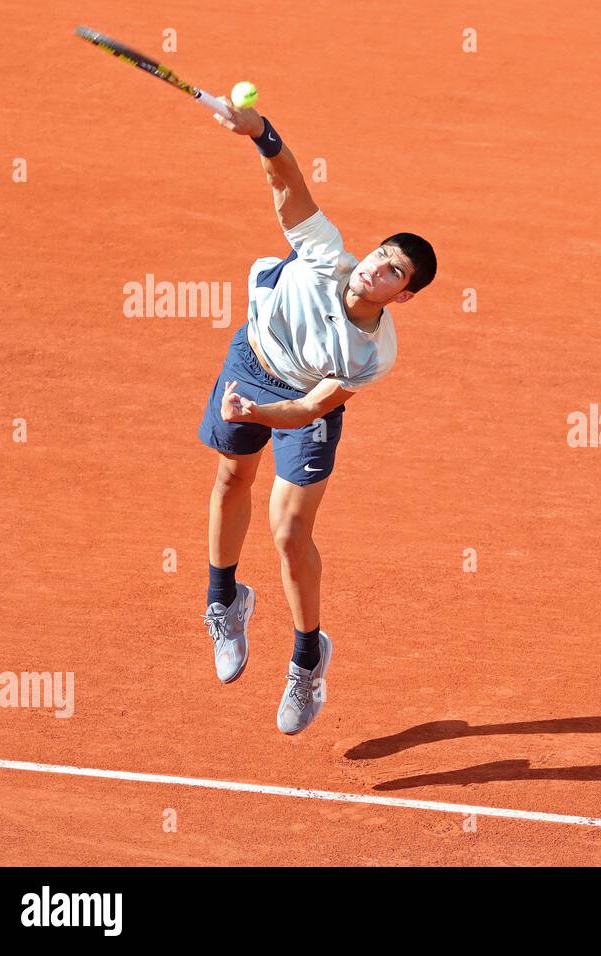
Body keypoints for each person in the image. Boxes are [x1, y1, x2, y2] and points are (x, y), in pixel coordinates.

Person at [197, 102, 437, 734]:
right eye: (381, 254)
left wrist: (255, 411)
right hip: (251, 358)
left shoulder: (372, 354)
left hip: (300, 399)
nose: (375, 267)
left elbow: (308, 409)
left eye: (393, 272)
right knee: (231, 478)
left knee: (289, 533)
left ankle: (307, 658)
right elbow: (287, 183)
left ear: (403, 296)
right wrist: (261, 134)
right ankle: (225, 600)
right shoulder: (324, 254)